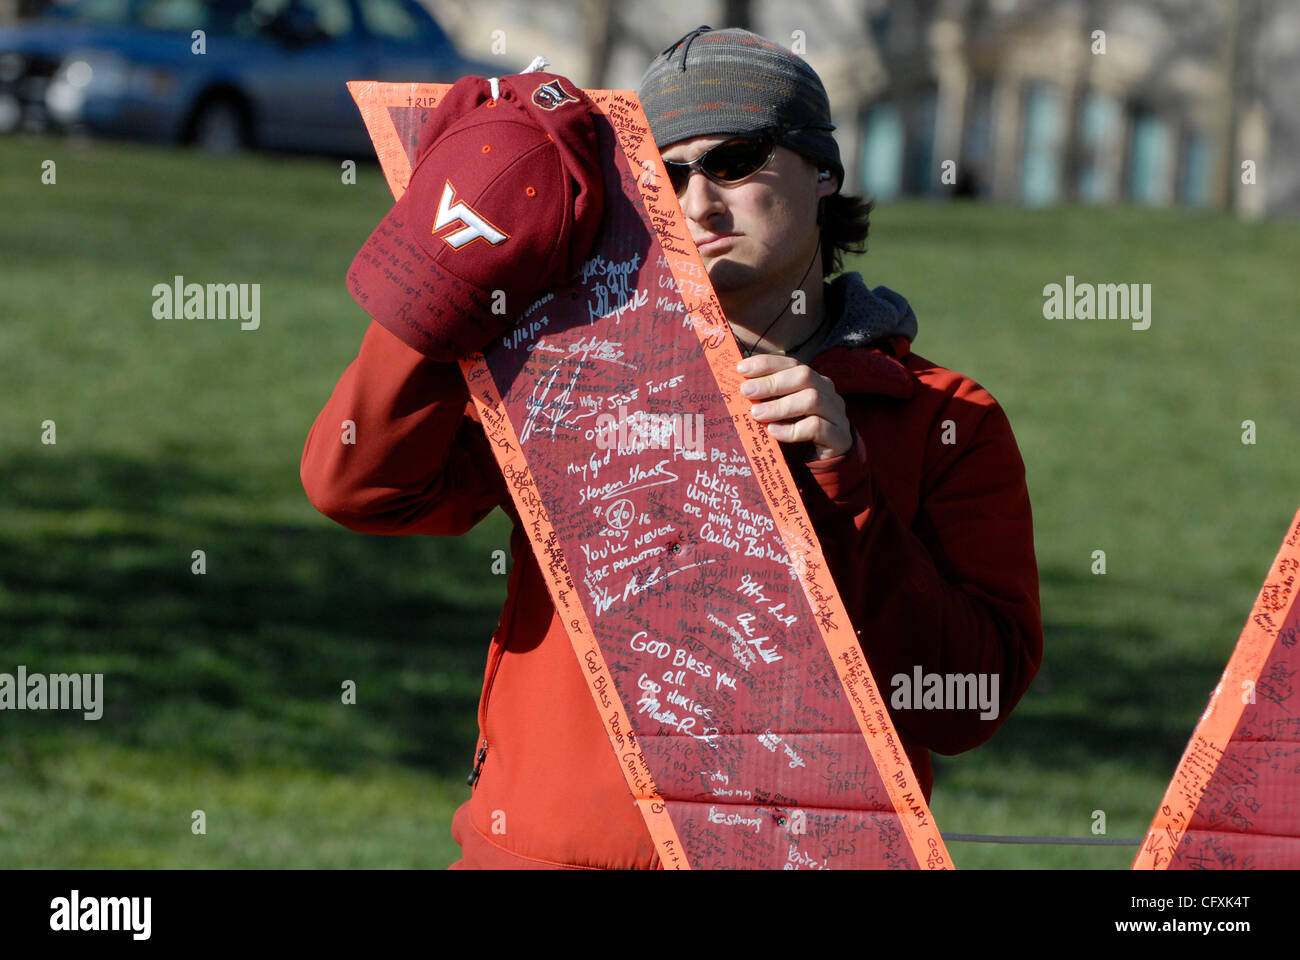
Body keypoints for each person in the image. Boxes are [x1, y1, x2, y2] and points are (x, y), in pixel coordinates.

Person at [301, 27, 1042, 869]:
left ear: (825, 172)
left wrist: (848, 486)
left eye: (736, 162)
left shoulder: (947, 416)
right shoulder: (565, 369)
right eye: (666, 171)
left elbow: (966, 701)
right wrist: (445, 284)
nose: (697, 202)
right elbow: (359, 488)